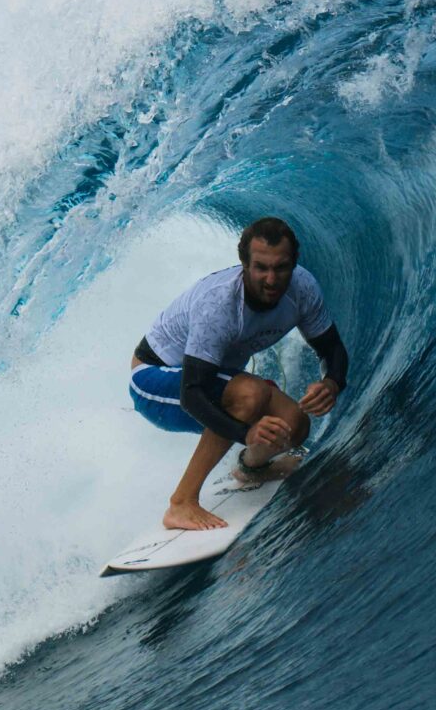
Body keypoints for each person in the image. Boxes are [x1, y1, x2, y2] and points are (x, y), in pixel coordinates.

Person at [128, 216, 349, 531]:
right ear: (244, 264)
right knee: (250, 394)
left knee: (294, 425)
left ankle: (251, 468)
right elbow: (192, 395)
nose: (271, 279)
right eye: (261, 267)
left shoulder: (302, 288)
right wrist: (244, 434)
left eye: (281, 268)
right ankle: (181, 503)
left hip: (215, 380)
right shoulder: (218, 304)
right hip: (155, 381)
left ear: (294, 263)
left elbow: (332, 348)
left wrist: (332, 382)